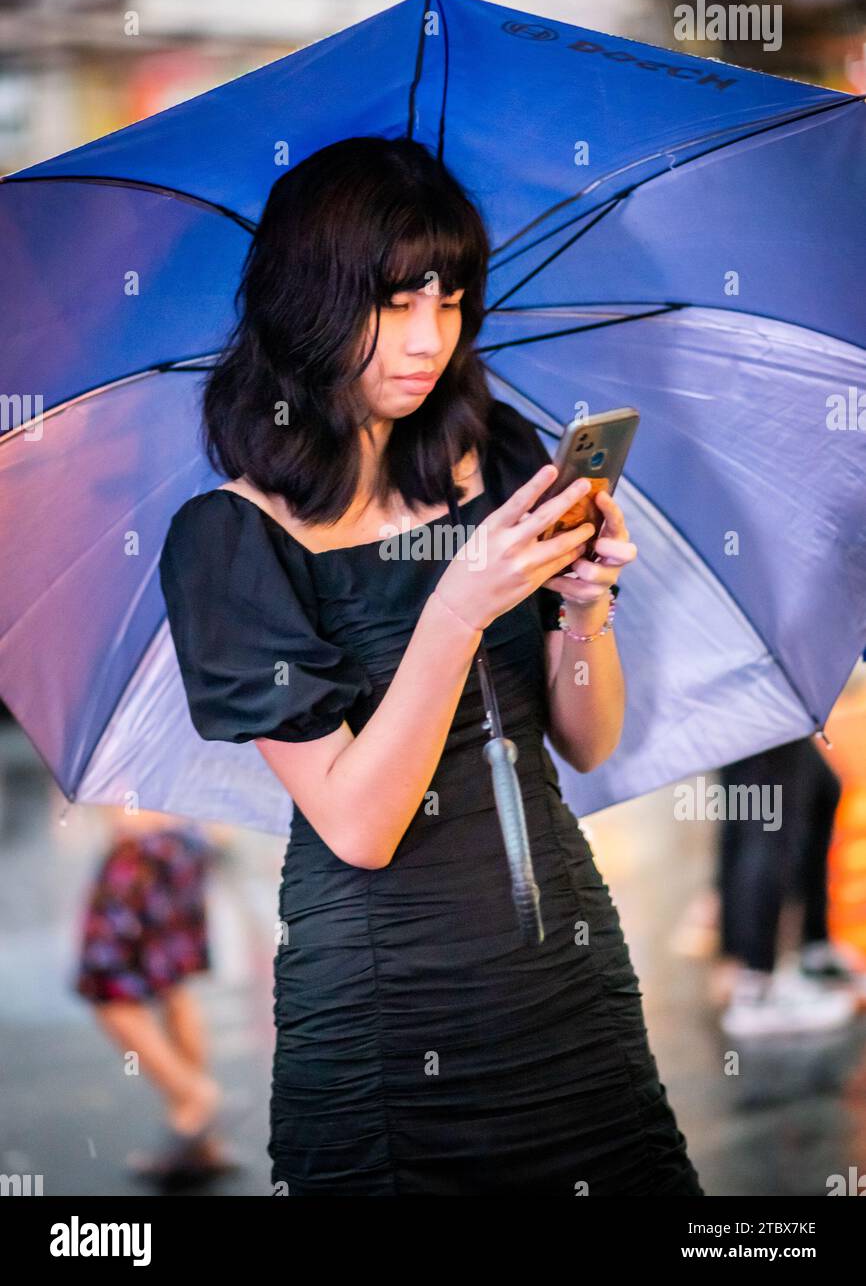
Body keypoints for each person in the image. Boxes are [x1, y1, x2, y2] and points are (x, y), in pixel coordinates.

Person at [158, 134, 703, 1195]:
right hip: (384, 1015)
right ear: (311, 301)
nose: (427, 338)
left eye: (449, 300)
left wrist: (580, 612)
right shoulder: (229, 541)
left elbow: (586, 741)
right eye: (394, 302)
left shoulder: (500, 457)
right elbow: (359, 826)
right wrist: (455, 609)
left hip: (565, 977)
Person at [73, 804, 235, 1187]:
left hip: (140, 851)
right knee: (171, 986)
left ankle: (195, 1098)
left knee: (109, 993)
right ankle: (200, 1138)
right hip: (186, 843)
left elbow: (123, 800)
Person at [717, 735, 863, 1039]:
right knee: (768, 818)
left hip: (753, 706)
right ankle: (756, 987)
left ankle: (813, 951)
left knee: (822, 788)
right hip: (755, 706)